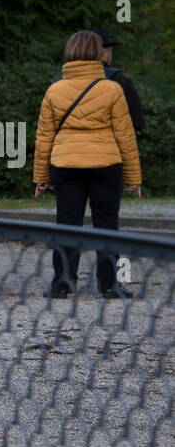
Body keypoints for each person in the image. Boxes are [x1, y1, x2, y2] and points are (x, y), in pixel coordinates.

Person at [33, 30, 141, 299]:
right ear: (98, 53)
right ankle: (109, 286)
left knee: (67, 223)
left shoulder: (54, 89)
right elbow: (125, 136)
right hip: (106, 164)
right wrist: (133, 176)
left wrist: (41, 176)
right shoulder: (112, 89)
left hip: (65, 165)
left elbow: (44, 137)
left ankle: (62, 283)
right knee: (107, 224)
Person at [51, 28, 145, 133]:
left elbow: (47, 130)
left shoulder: (56, 83)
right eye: (110, 51)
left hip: (64, 147)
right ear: (104, 53)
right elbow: (136, 123)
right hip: (107, 146)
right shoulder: (118, 79)